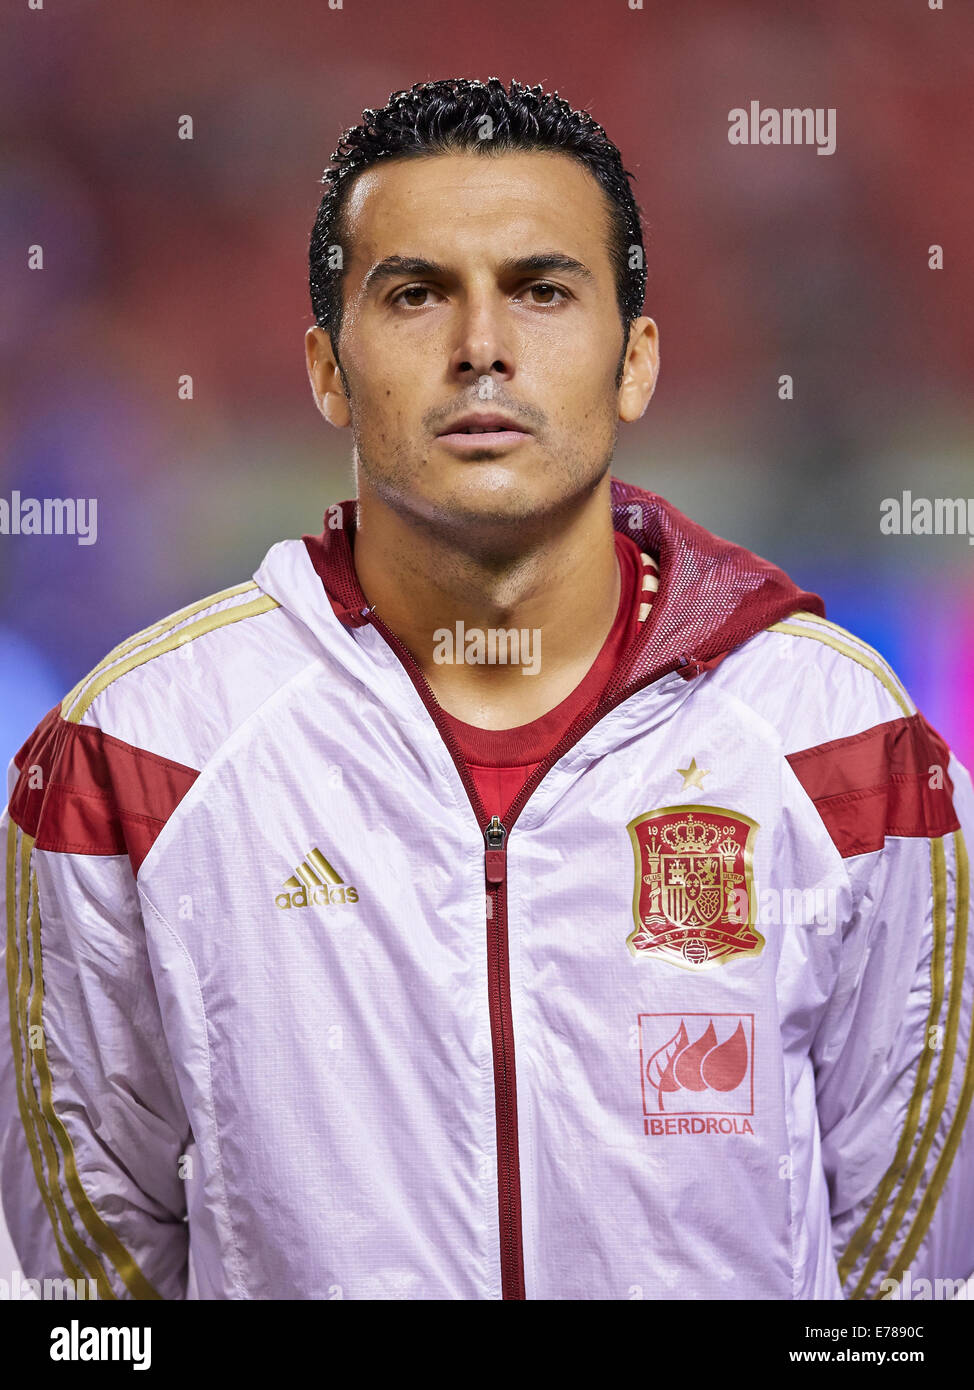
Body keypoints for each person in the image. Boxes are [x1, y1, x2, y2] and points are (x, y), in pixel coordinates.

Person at [1, 76, 971, 1302]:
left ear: (634, 360)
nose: (481, 346)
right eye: (414, 294)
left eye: (542, 290)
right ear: (326, 371)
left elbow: (914, 1289)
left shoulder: (847, 749)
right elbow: (89, 1298)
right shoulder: (128, 762)